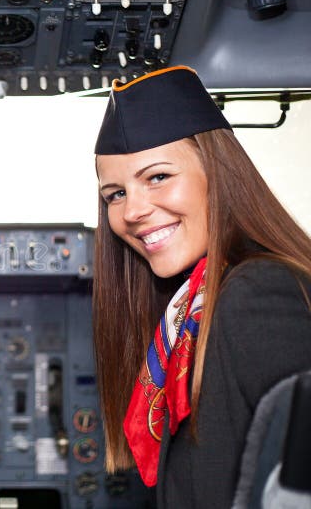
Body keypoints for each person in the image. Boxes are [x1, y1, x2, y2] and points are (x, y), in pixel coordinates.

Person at [92, 65, 311, 507]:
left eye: (157, 177)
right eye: (115, 194)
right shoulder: (189, 309)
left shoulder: (257, 292)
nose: (132, 211)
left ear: (218, 173)